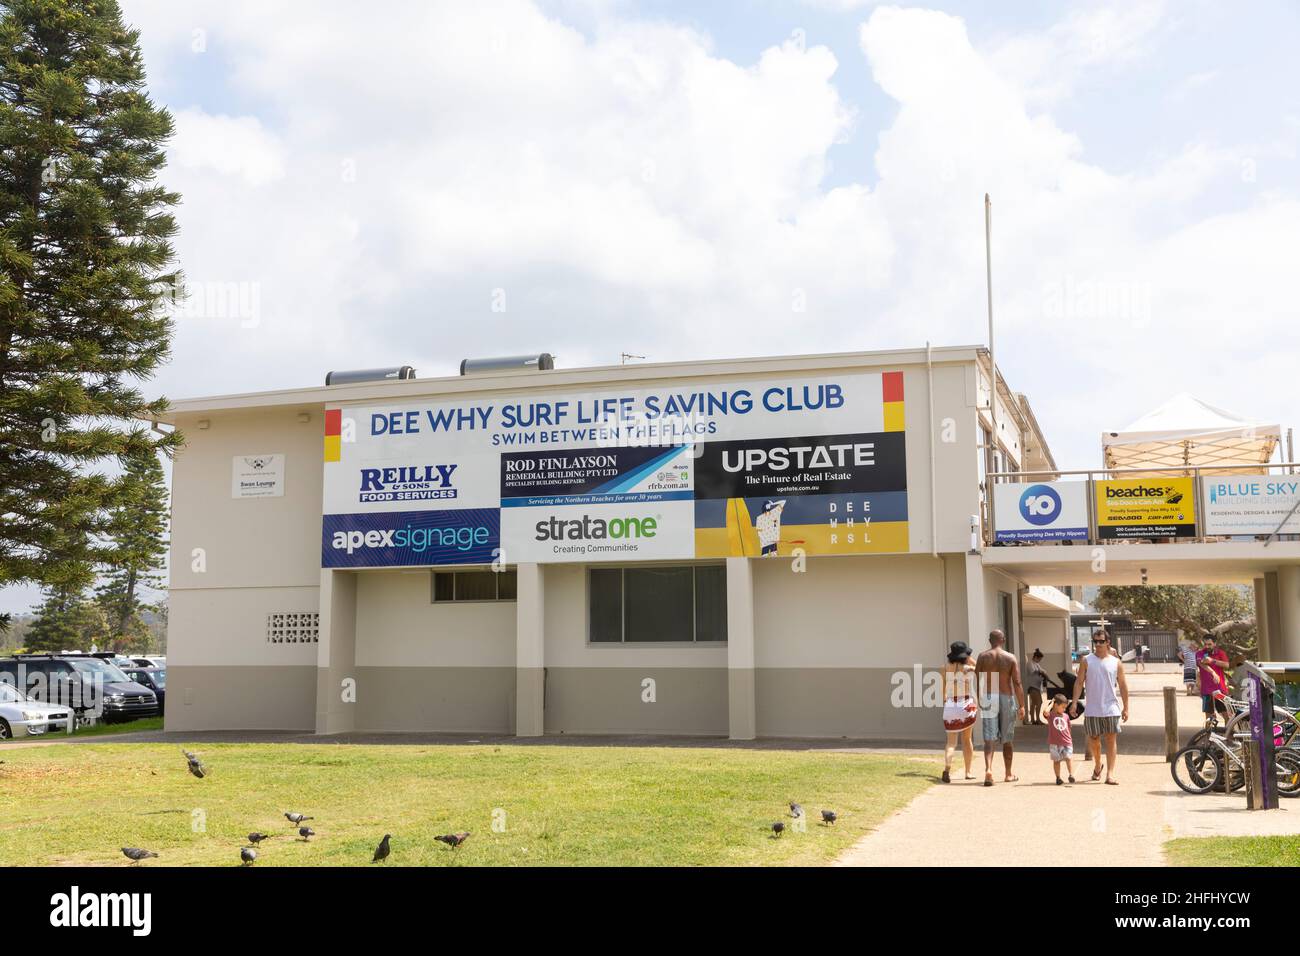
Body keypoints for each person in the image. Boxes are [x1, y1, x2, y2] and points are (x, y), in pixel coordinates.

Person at [1069, 630, 1129, 784]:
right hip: (1092, 708)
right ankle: (1097, 765)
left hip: (1111, 707)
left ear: (1108, 642)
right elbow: (1079, 682)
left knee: (1110, 739)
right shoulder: (1086, 660)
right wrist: (1074, 702)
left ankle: (1110, 774)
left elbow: (1122, 685)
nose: (1097, 644)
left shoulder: (1116, 662)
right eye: (1095, 641)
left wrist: (1126, 707)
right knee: (1094, 740)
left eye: (1101, 641)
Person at [975, 629, 1025, 786]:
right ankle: (1008, 774)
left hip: (989, 696)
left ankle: (988, 769)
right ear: (1003, 640)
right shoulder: (1010, 657)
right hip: (1006, 696)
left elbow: (978, 680)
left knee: (989, 739)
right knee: (1007, 739)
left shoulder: (983, 657)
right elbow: (1017, 682)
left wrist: (979, 699)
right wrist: (1022, 705)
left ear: (990, 640)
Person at [941, 641, 978, 783]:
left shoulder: (944, 668)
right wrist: (968, 657)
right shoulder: (969, 668)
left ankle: (947, 769)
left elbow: (942, 693)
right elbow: (979, 666)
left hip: (950, 704)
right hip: (966, 704)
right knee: (967, 739)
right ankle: (968, 772)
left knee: (951, 743)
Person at [1196, 633, 1230, 725]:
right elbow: (1201, 663)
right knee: (1209, 718)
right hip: (1207, 690)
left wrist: (1212, 661)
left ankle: (1227, 735)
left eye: (1209, 644)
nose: (1207, 646)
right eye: (1205, 644)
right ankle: (1209, 737)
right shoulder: (1200, 653)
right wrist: (1213, 672)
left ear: (1215, 643)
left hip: (1220, 690)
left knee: (1226, 715)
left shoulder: (1221, 653)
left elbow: (1227, 665)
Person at [1044, 694, 1075, 785]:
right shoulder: (1051, 715)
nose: (1064, 709)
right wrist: (1052, 703)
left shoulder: (1066, 716)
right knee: (1056, 761)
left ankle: (1071, 775)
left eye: (1065, 707)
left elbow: (1068, 728)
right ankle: (1058, 777)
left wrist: (1070, 740)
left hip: (1066, 742)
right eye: (1063, 707)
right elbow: (1045, 711)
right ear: (1056, 705)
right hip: (1054, 743)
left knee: (1068, 758)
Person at [1025, 649, 1047, 725]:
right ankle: (1037, 719)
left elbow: (1042, 671)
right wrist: (1041, 672)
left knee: (1034, 703)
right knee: (1039, 702)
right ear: (1036, 657)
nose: (1040, 660)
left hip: (1036, 686)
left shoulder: (1036, 664)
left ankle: (1033, 719)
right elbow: (1034, 671)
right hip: (1032, 686)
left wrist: (1043, 673)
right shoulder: (1030, 663)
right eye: (1040, 659)